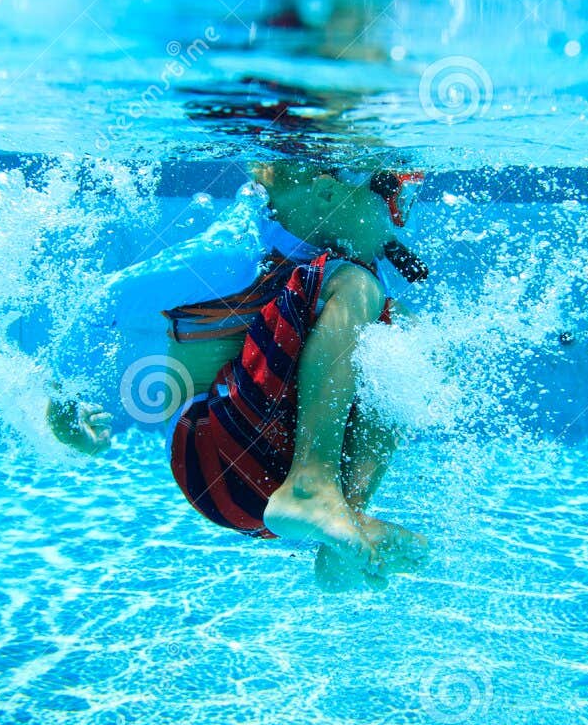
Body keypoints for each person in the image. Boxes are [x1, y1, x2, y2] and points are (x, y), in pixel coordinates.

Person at [44, 163, 430, 591]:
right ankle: (312, 485)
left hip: (261, 484)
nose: (399, 223)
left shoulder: (327, 265)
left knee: (407, 335)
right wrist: (64, 406)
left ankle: (342, 520)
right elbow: (102, 302)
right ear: (325, 193)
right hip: (211, 455)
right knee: (358, 286)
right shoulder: (233, 254)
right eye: (396, 199)